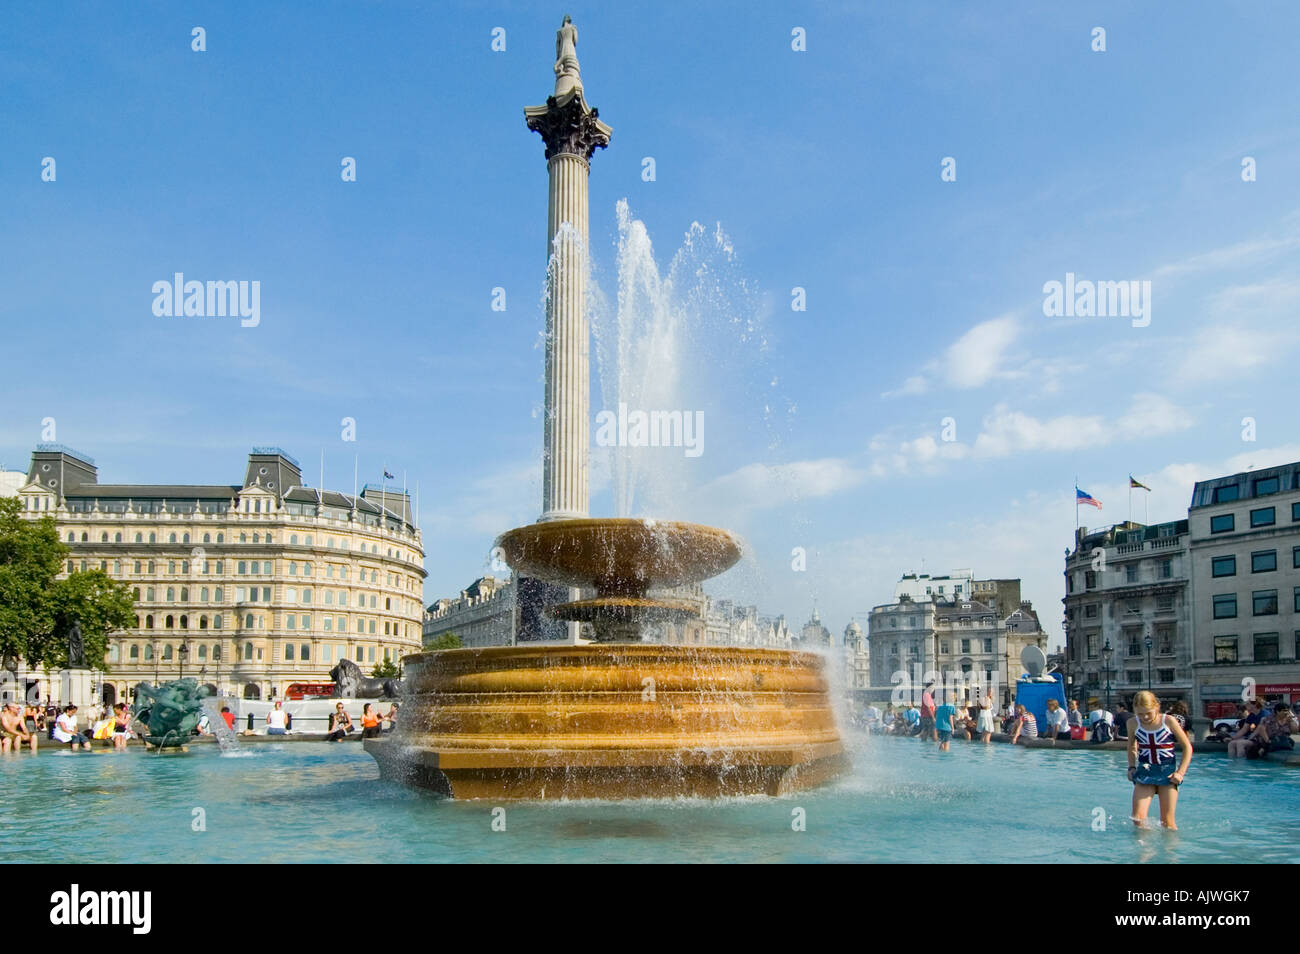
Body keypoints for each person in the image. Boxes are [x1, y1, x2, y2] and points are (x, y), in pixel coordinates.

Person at [1127, 689, 1192, 830]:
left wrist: (1180, 773)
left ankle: (1169, 850)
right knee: (1137, 818)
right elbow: (1132, 746)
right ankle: (1145, 849)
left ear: (1157, 706)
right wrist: (1131, 767)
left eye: (1148, 713)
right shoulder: (1132, 723)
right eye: (1140, 714)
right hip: (1145, 773)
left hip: (1167, 775)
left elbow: (1187, 747)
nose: (1144, 717)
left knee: (1167, 823)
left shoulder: (1168, 721)